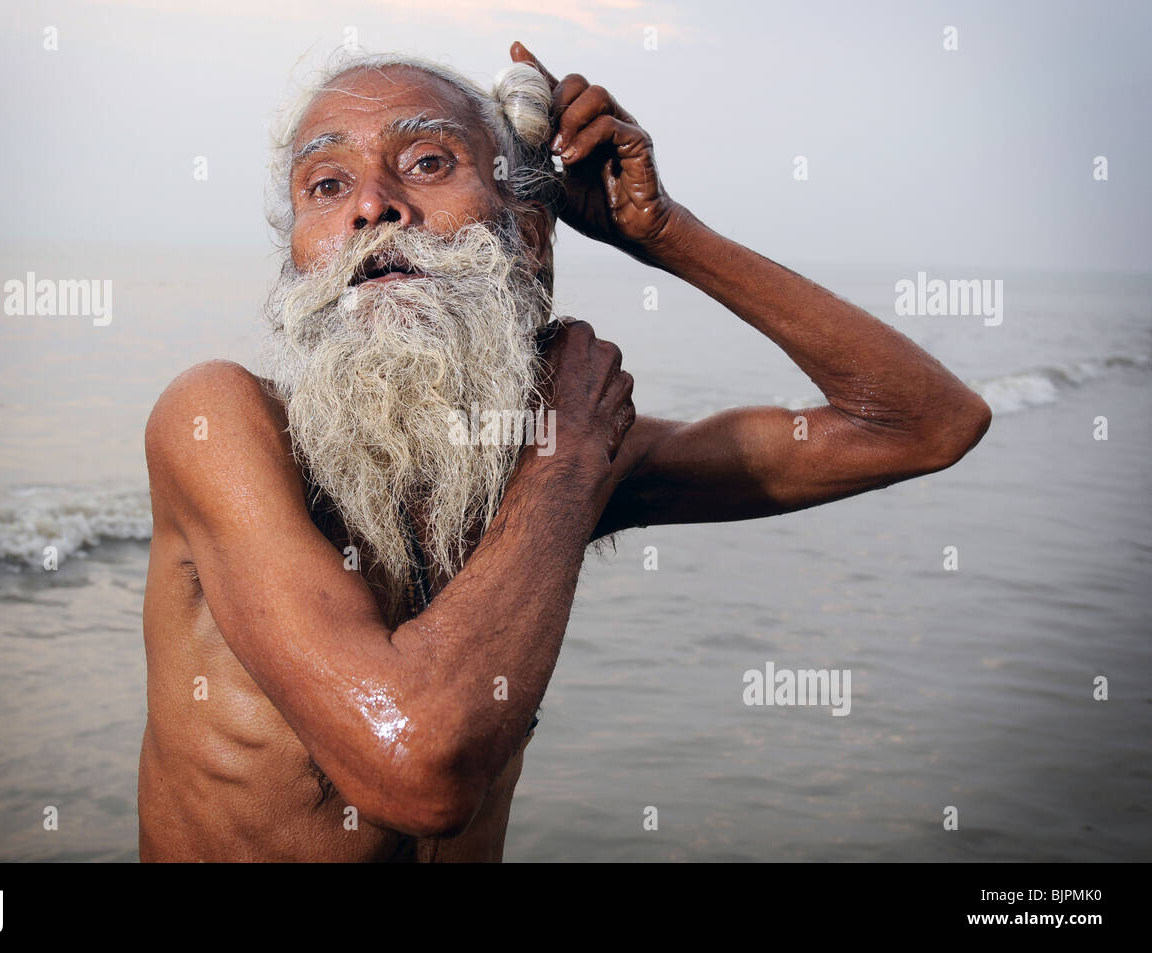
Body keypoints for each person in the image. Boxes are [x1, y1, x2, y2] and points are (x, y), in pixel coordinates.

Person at [137, 41, 991, 862]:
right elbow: (414, 772)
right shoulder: (218, 421)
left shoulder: (547, 449)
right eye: (325, 184)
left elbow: (925, 424)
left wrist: (662, 231)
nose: (371, 205)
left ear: (532, 237)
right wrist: (567, 463)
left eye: (429, 162)